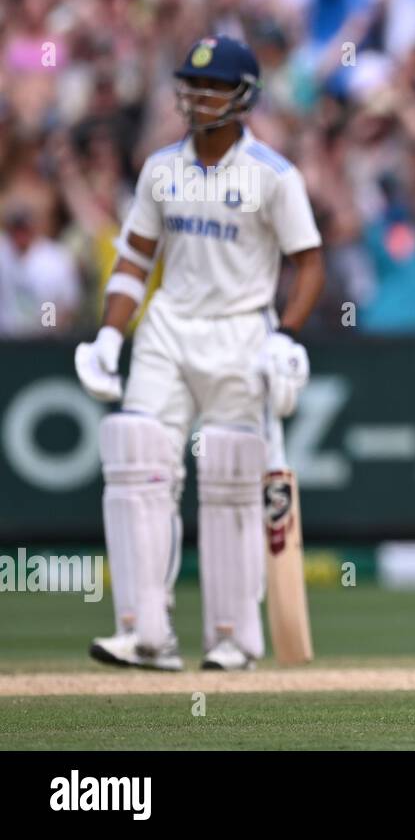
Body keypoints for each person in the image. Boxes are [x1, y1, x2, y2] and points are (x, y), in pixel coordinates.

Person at [74, 35, 325, 671]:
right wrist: (110, 334)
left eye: (213, 85)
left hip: (242, 332)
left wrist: (286, 334)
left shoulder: (274, 176)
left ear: (242, 97)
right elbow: (135, 257)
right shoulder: (160, 169)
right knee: (135, 460)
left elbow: (310, 264)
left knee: (233, 475)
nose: (198, 95)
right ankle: (145, 632)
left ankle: (233, 637)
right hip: (167, 328)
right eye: (191, 83)